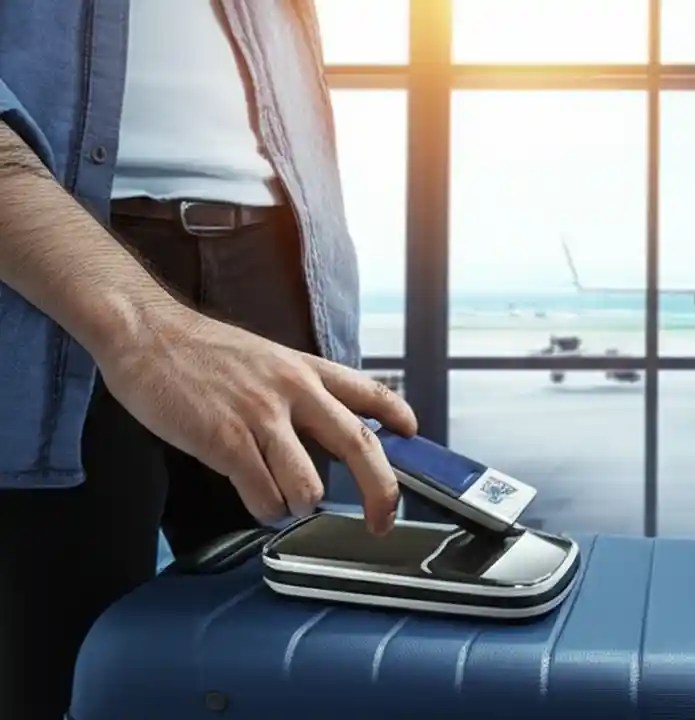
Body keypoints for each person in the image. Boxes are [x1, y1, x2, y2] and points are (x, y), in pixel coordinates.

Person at [0, 1, 416, 716]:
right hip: (45, 262)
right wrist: (137, 323)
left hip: (282, 255)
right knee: (48, 673)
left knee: (272, 661)